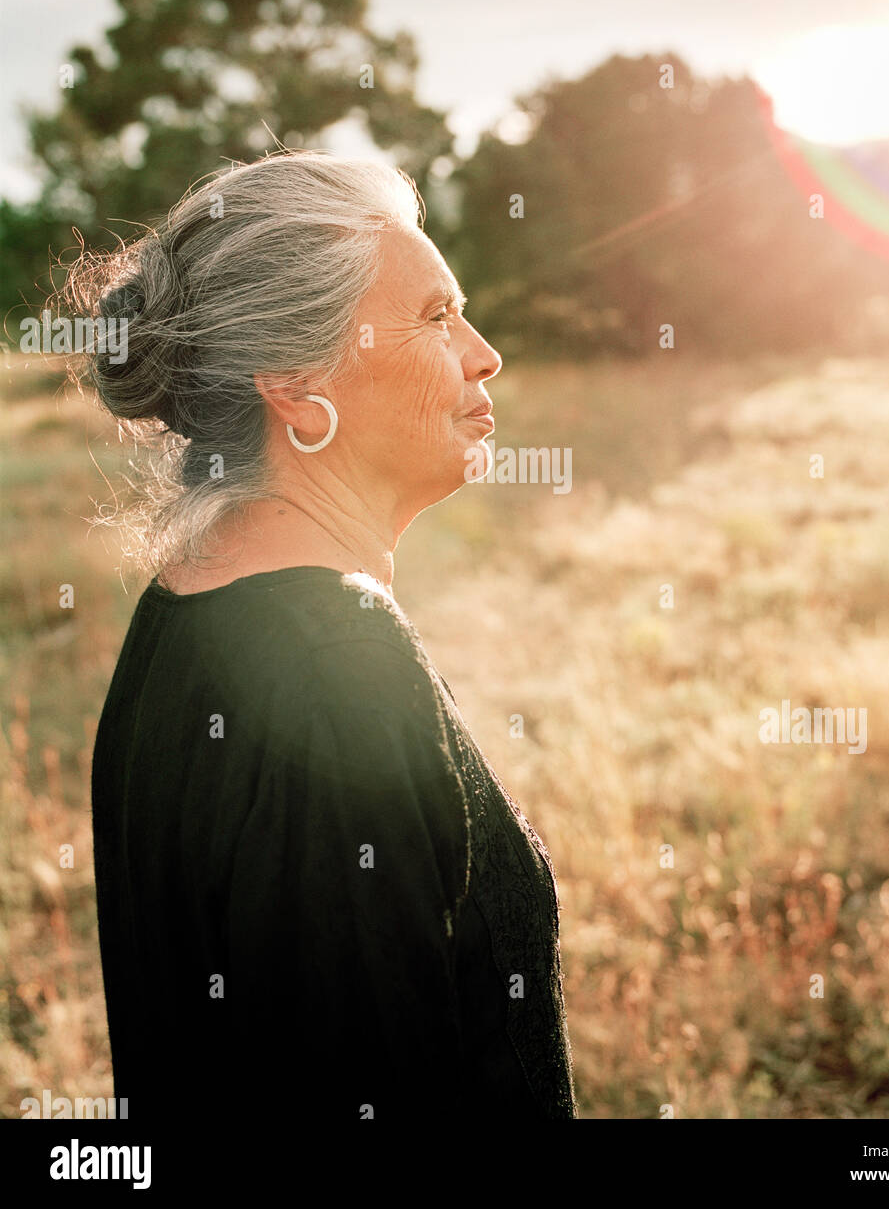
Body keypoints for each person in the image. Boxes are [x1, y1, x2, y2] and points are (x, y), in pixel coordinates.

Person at [65, 150, 578, 1122]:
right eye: (435, 316)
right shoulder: (339, 675)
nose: (483, 352)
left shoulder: (180, 612)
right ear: (298, 387)